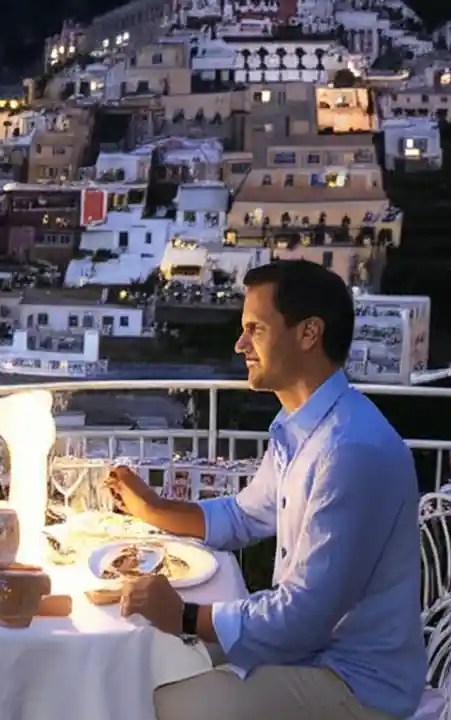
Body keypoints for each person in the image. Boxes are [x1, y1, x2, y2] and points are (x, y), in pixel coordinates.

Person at [107, 260, 427, 719]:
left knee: (151, 701)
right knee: (147, 665)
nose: (240, 344)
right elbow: (242, 516)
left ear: (308, 333)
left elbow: (303, 617)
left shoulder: (350, 450)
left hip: (355, 684)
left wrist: (182, 615)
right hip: (308, 654)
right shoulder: (302, 430)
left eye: (254, 328)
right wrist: (151, 507)